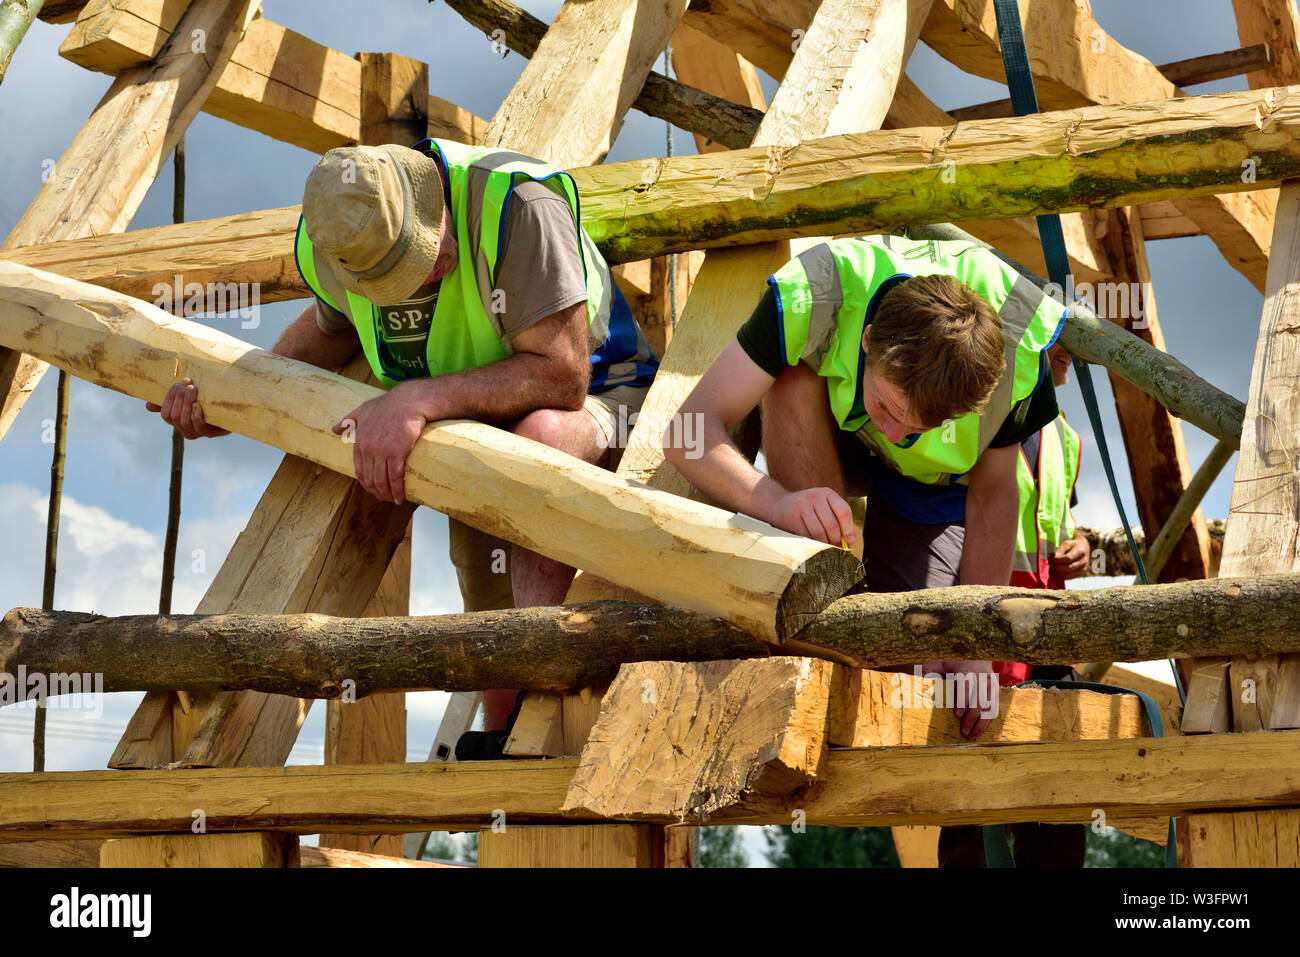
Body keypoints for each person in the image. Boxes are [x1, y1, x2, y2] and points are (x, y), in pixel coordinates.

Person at [147, 138, 657, 757]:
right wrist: (225, 399)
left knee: (538, 443)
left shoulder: (517, 203)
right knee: (486, 574)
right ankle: (505, 743)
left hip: (608, 400)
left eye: (423, 254)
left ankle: (549, 727)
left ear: (429, 195)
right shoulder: (337, 240)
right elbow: (329, 334)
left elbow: (563, 377)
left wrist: (417, 400)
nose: (434, 269)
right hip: (478, 427)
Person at [662, 234, 1066, 858]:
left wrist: (974, 644)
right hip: (824, 425)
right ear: (871, 337)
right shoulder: (816, 292)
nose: (898, 432)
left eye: (922, 425)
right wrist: (776, 502)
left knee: (922, 672)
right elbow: (687, 431)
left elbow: (992, 497)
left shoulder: (1019, 347)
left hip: (931, 490)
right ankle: (828, 584)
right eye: (888, 406)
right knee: (792, 379)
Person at [942, 340, 1093, 867]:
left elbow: (1059, 526)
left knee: (1058, 794)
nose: (1068, 352)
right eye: (1055, 339)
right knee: (966, 793)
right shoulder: (970, 413)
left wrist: (1080, 549)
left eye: (1075, 344)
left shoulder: (1068, 438)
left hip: (1049, 638)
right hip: (982, 626)